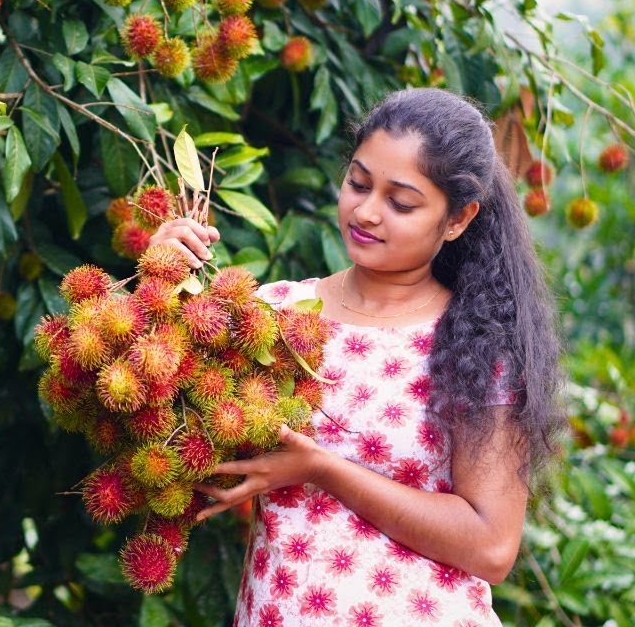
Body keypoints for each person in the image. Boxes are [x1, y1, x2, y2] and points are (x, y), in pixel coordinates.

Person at [149, 88, 563, 625]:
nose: (366, 212)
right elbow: (159, 421)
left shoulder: (477, 344)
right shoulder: (273, 313)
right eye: (358, 183)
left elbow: (490, 546)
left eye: (401, 202)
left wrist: (322, 469)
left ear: (457, 220)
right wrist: (160, 284)